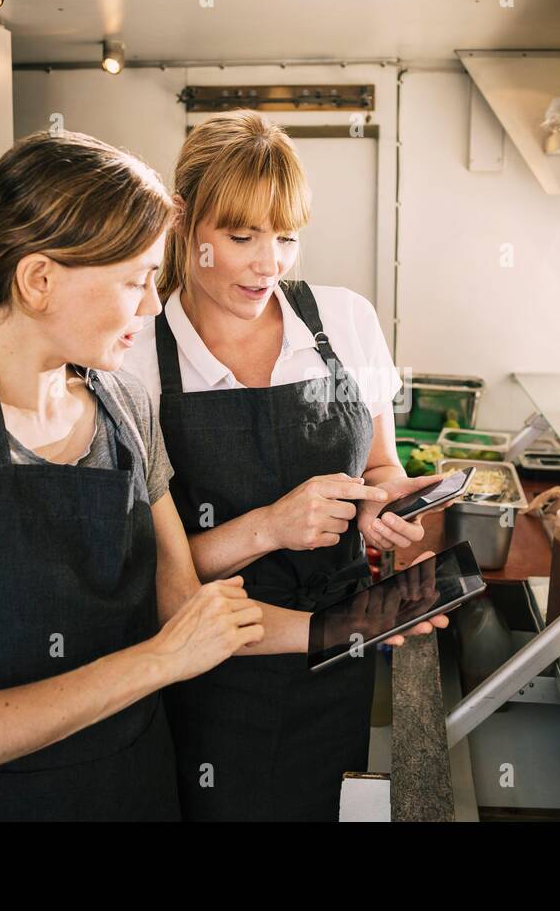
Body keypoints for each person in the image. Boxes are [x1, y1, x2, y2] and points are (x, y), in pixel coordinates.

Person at [0, 131, 264, 820]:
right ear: (38, 281)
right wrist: (157, 662)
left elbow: (180, 604)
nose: (152, 305)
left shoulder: (123, 406)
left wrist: (348, 628)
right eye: (135, 279)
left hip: (136, 794)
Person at [123, 110, 450, 819]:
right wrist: (269, 526)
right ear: (184, 223)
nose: (268, 263)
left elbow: (382, 464)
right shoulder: (136, 359)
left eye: (286, 237)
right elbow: (141, 577)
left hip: (340, 648)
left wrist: (387, 507)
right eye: (241, 237)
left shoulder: (346, 321)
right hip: (206, 672)